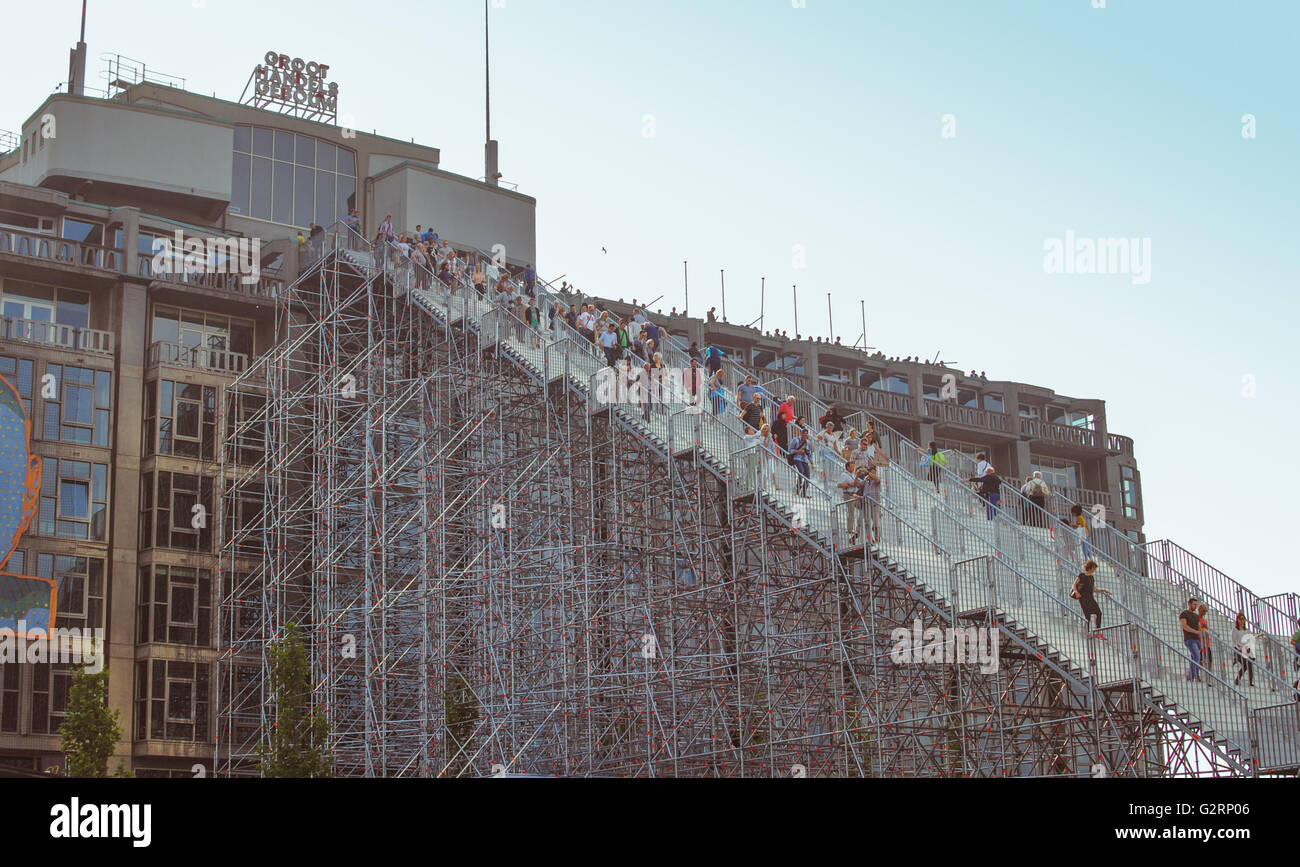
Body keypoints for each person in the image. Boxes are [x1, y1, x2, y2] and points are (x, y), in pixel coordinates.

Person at [1069, 560, 1110, 639]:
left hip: (1090, 598)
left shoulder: (1091, 577)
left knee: (1098, 613)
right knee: (1087, 616)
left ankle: (1098, 632)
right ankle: (1087, 632)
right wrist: (1076, 592)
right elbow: (1074, 585)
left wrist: (1103, 590)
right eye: (1094, 568)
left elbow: (1093, 589)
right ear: (1090, 567)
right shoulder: (1082, 575)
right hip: (1083, 598)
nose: (1094, 570)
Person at [837, 459, 860, 545]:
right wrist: (849, 484)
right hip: (848, 493)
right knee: (851, 511)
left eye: (854, 466)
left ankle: (858, 527)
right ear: (847, 467)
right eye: (852, 466)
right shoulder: (844, 475)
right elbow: (839, 485)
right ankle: (850, 528)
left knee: (860, 509)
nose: (853, 467)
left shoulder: (853, 475)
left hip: (854, 494)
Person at [1181, 598, 1204, 683]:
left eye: (1196, 604)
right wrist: (1195, 631)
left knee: (1194, 658)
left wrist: (1199, 636)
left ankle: (1190, 677)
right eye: (1194, 604)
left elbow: (1199, 627)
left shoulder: (1196, 616)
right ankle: (1197, 677)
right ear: (1189, 604)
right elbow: (1184, 626)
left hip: (1197, 640)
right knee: (1196, 657)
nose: (1195, 606)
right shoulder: (1184, 614)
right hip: (1190, 639)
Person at [859, 464, 883, 543]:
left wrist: (868, 473)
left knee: (876, 522)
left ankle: (877, 538)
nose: (872, 475)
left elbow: (877, 479)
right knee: (867, 522)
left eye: (873, 473)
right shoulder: (866, 481)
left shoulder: (877, 481)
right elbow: (858, 484)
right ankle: (869, 538)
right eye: (871, 473)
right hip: (866, 503)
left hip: (874, 503)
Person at [1232, 612, 1255, 688]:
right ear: (1237, 620)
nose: (1241, 621)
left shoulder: (1247, 630)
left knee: (1249, 665)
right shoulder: (1235, 630)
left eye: (1243, 619)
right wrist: (1239, 647)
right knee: (1245, 665)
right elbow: (1234, 641)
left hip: (1246, 649)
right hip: (1238, 649)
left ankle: (1250, 681)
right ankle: (1237, 679)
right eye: (1240, 619)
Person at [788, 427, 811, 497]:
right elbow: (790, 450)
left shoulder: (808, 442)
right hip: (797, 458)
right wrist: (798, 451)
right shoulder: (795, 440)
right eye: (803, 434)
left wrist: (812, 462)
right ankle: (798, 488)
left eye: (806, 435)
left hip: (805, 460)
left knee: (807, 476)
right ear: (801, 434)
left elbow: (809, 453)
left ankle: (804, 492)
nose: (805, 436)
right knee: (801, 471)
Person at [1197, 604, 1213, 671]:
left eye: (1205, 611)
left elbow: (1205, 629)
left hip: (1206, 642)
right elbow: (1199, 628)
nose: (1204, 613)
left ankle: (1209, 672)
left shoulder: (1205, 620)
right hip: (1200, 641)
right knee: (1200, 658)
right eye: (1203, 611)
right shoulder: (1196, 618)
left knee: (1210, 658)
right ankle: (1204, 670)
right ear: (1199, 610)